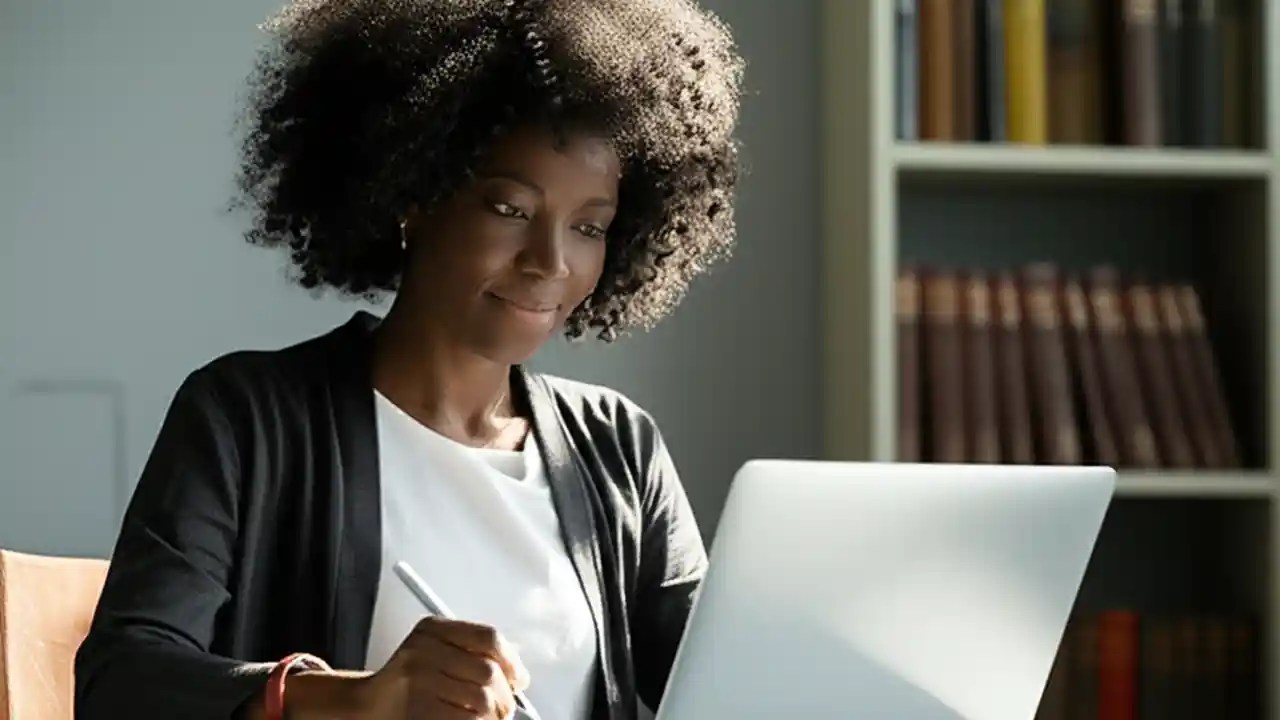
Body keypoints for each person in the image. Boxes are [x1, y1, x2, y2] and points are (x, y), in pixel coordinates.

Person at [72, 0, 743, 719]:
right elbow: (123, 680)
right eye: (511, 209)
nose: (551, 261)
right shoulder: (250, 417)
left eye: (588, 227)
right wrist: (355, 698)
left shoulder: (618, 448)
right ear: (413, 197)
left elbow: (735, 684)